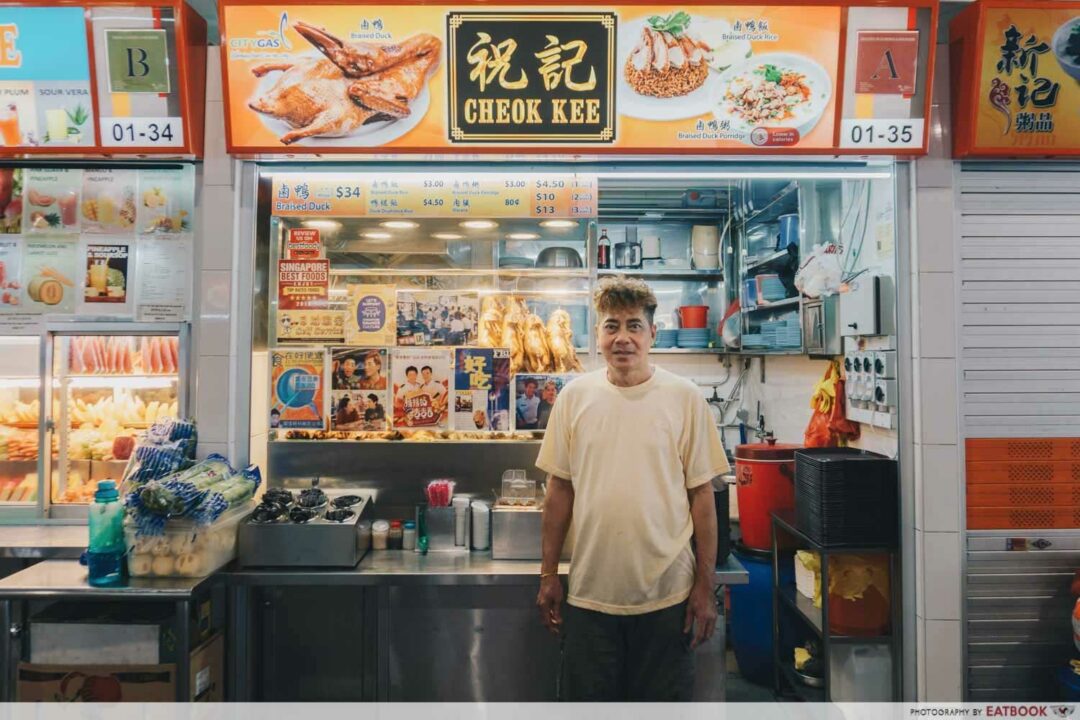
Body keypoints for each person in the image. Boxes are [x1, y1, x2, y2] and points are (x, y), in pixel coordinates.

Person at [535, 276, 728, 702]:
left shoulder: (685, 398)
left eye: (634, 326)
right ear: (598, 336)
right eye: (611, 326)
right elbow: (559, 491)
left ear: (652, 333)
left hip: (668, 600)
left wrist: (704, 586)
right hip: (590, 597)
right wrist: (548, 574)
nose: (622, 338)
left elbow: (702, 499)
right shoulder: (574, 398)